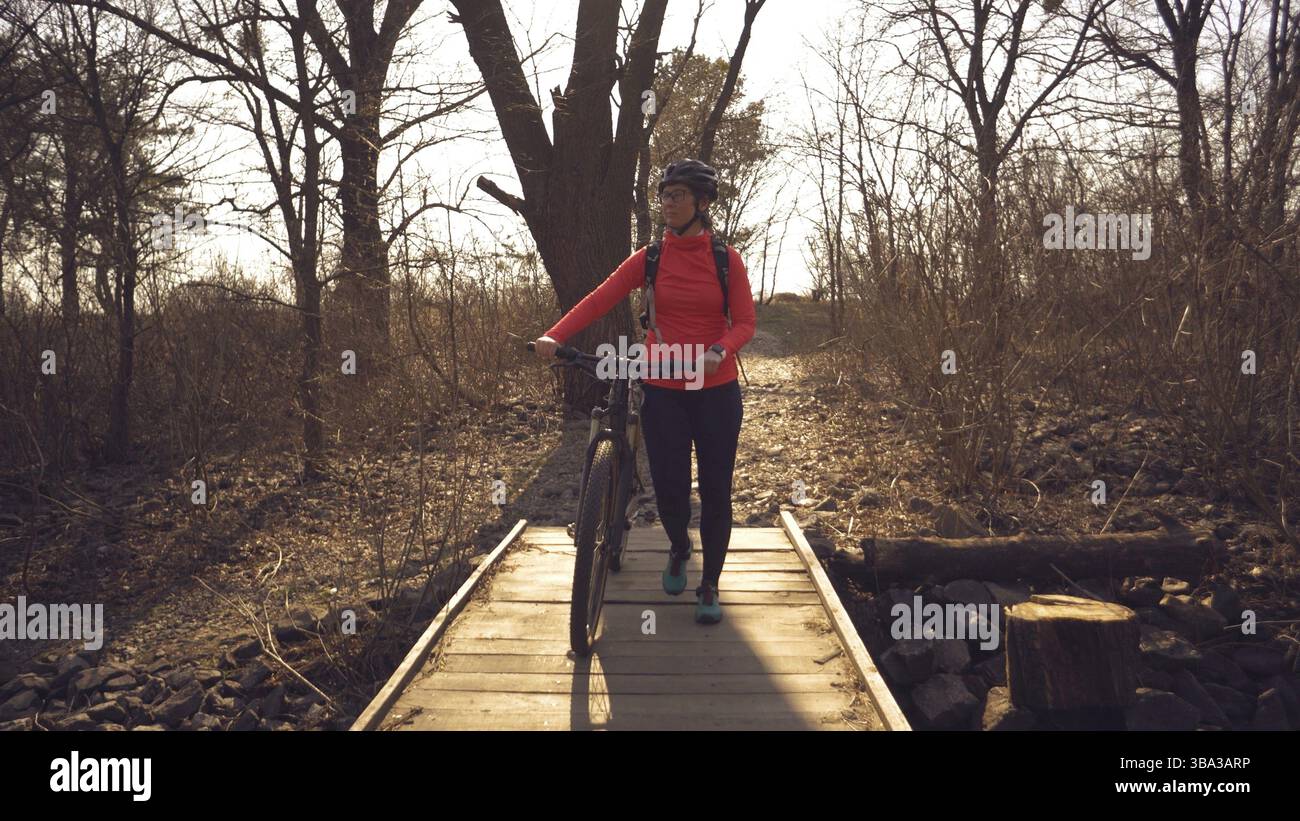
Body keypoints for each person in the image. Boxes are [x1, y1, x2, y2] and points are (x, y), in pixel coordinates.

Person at [532, 159, 756, 624]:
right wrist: (556, 335)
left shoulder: (725, 259)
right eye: (665, 195)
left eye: (678, 195)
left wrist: (720, 347)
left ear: (702, 203)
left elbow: (746, 322)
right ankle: (678, 546)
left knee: (716, 489)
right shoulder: (650, 258)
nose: (668, 203)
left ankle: (709, 583)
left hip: (714, 388)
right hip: (663, 384)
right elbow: (600, 297)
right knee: (671, 487)